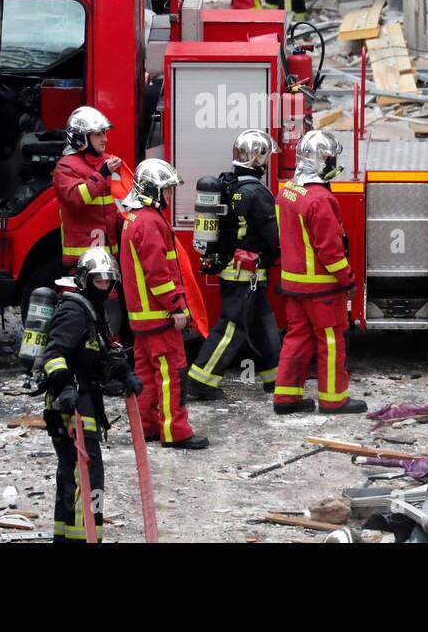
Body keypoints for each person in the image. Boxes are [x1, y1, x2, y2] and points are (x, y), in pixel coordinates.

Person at [43, 248, 142, 542]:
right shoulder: (74, 311)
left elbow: (97, 355)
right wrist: (65, 389)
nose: (106, 287)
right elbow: (54, 355)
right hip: (70, 406)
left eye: (110, 282)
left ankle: (66, 536)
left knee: (71, 474)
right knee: (87, 478)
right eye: (100, 281)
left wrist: (123, 372)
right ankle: (83, 537)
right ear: (86, 280)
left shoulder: (91, 310)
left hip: (84, 400)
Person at [272, 129, 365, 415]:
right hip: (321, 288)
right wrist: (347, 280)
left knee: (297, 338)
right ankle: (333, 399)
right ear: (321, 161)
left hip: (293, 285)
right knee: (331, 340)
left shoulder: (286, 192)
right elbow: (330, 250)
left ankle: (285, 398)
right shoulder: (320, 200)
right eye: (331, 159)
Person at [119, 158, 208, 449]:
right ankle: (176, 431)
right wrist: (176, 307)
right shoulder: (149, 222)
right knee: (173, 374)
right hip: (159, 317)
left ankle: (148, 427)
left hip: (141, 318)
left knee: (145, 374)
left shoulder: (133, 218)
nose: (169, 196)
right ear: (152, 191)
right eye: (166, 190)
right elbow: (159, 274)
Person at [187, 129, 281, 399]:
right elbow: (275, 236)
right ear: (257, 159)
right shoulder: (257, 193)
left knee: (264, 323)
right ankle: (201, 380)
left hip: (238, 269)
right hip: (245, 274)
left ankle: (277, 378)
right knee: (232, 327)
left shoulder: (228, 183)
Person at [53, 107, 121, 270]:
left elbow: (119, 204)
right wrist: (102, 174)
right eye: (98, 134)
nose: (105, 139)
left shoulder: (108, 162)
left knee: (110, 296)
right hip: (82, 260)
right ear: (80, 138)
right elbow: (75, 198)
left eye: (105, 133)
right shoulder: (66, 167)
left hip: (110, 257)